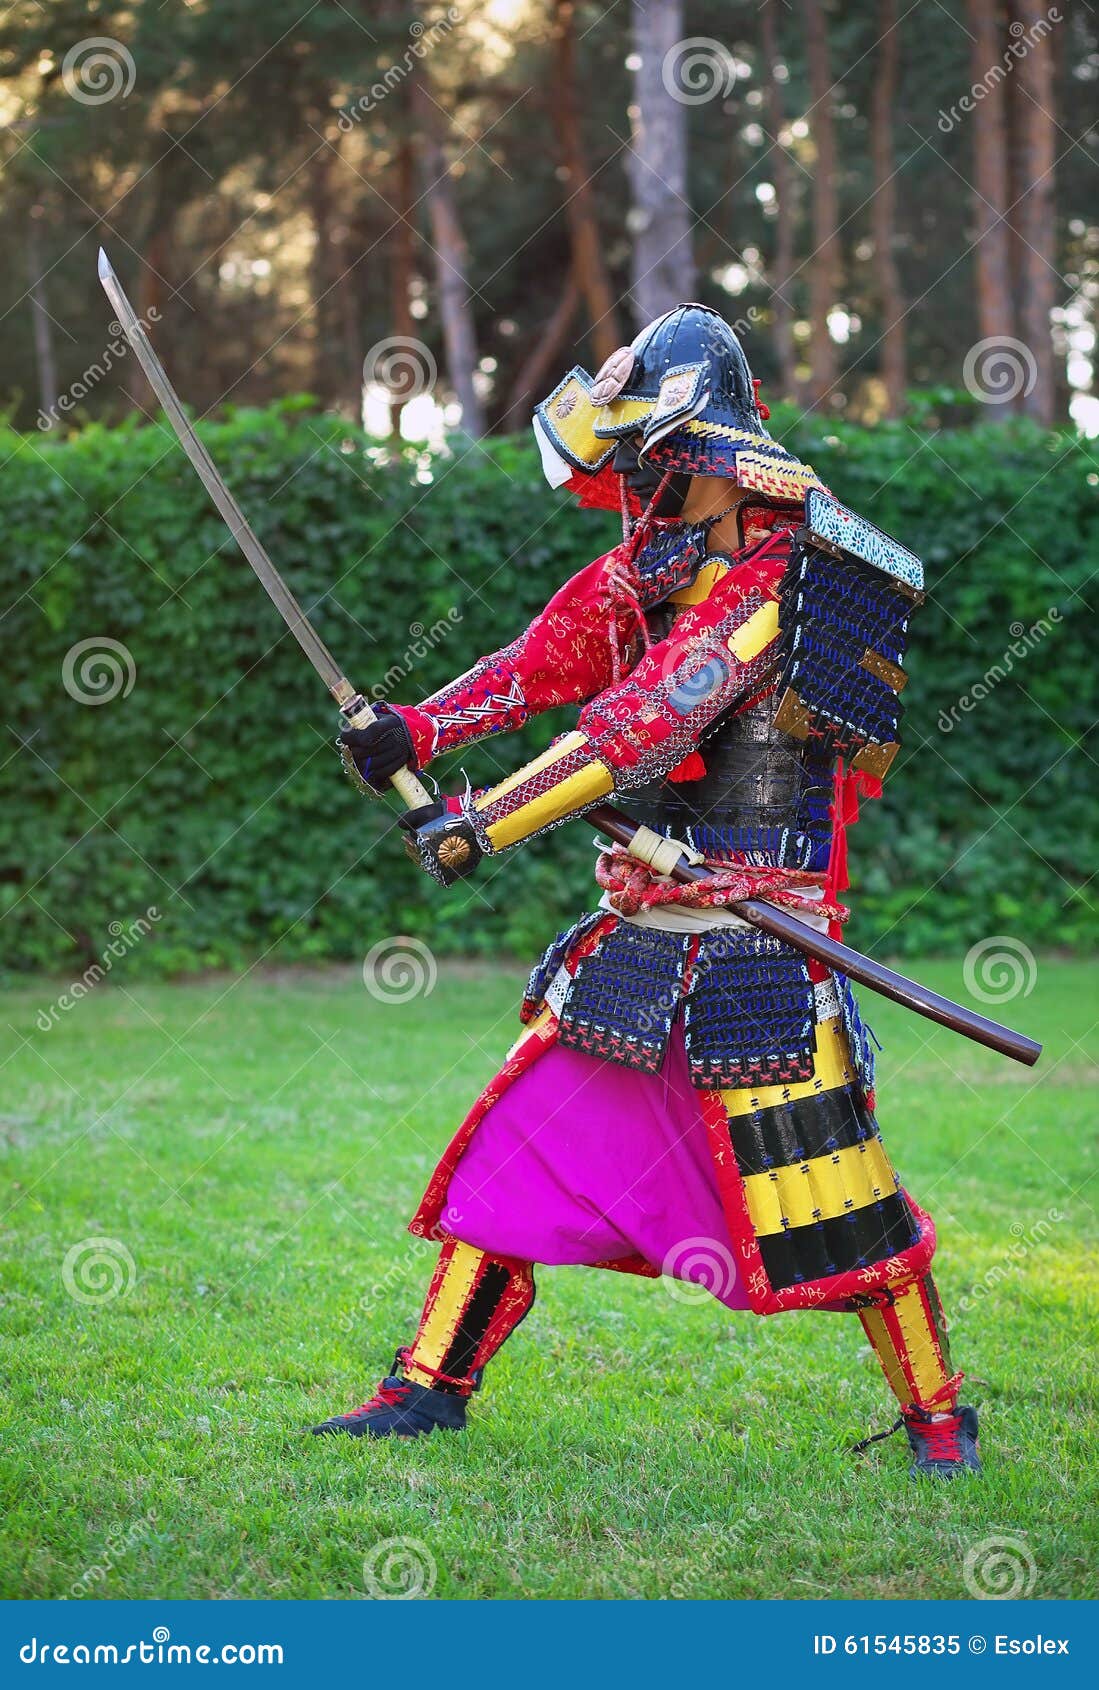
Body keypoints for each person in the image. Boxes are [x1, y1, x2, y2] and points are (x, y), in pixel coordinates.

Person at [315, 304, 980, 1478]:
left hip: (757, 941)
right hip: (644, 923)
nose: (636, 479)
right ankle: (427, 1385)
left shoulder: (790, 570)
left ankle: (938, 1415)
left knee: (835, 1195)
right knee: (513, 1141)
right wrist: (417, 724)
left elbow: (639, 725)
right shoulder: (661, 558)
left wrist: (481, 826)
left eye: (654, 456)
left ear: (708, 444)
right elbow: (547, 658)